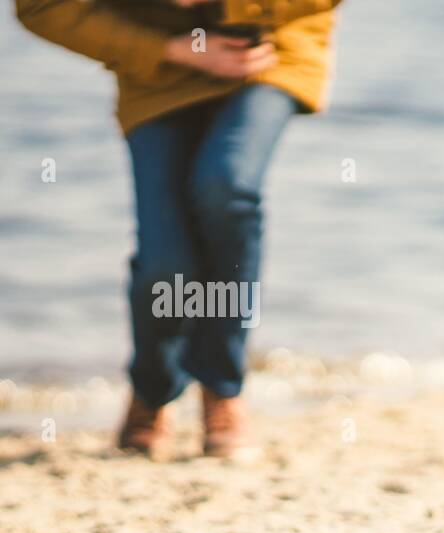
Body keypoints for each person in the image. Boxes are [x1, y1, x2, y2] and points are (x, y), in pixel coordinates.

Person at [16, 0, 343, 458]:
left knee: (226, 188)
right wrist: (176, 48)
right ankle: (153, 390)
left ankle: (221, 389)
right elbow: (41, 7)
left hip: (267, 56)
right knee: (167, 263)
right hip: (157, 74)